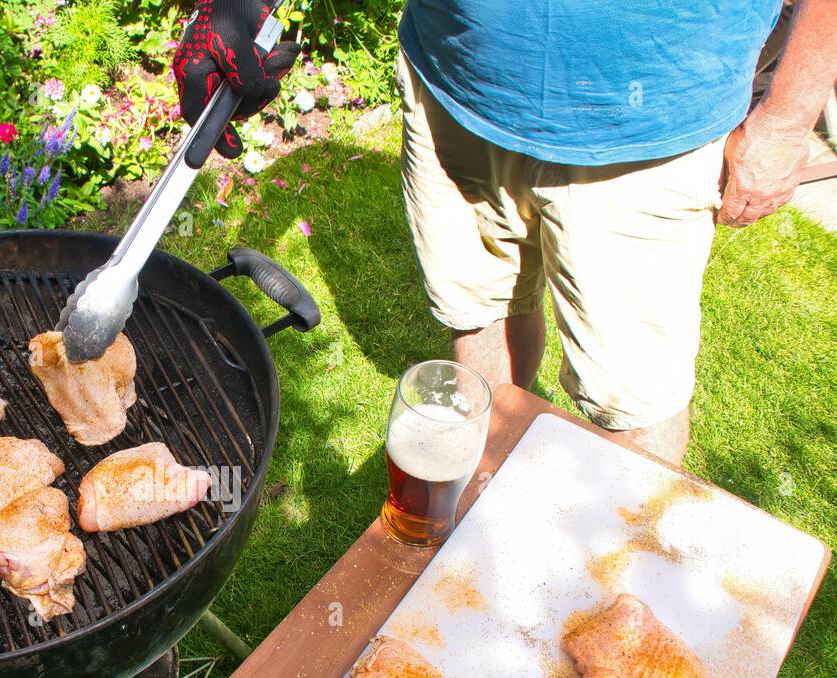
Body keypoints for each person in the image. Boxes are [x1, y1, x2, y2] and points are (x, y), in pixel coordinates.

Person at [173, 1, 837, 464]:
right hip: (453, 78)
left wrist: (786, 119)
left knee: (632, 400)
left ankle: (617, 600)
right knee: (477, 309)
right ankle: (488, 489)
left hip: (646, 126)